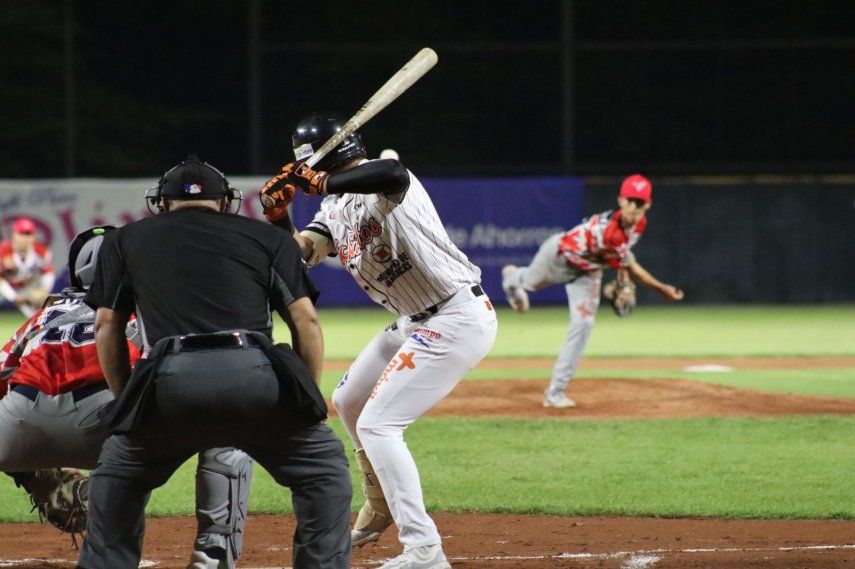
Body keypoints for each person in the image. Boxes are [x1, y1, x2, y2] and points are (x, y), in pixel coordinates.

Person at [77, 156, 352, 569]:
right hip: (255, 378)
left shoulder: (126, 239)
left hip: (169, 382)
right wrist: (306, 400)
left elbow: (106, 326)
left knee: (118, 480)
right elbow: (305, 321)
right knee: (323, 472)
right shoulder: (267, 237)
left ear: (162, 203)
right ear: (225, 202)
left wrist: (127, 402)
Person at [260, 113, 498, 569]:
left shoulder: (384, 179)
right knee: (348, 399)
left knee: (378, 425)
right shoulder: (334, 210)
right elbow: (297, 255)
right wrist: (278, 216)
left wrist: (320, 181)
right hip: (414, 319)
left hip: (455, 316)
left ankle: (424, 550)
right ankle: (381, 502)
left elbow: (392, 171)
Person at [0, 226, 254, 569]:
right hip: (100, 431)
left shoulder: (45, 313)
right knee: (227, 421)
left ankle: (42, 481)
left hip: (17, 426)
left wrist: (24, 459)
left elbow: (2, 373)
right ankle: (212, 554)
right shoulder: (149, 308)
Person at [501, 174, 684, 408]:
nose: (634, 207)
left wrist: (622, 281)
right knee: (529, 283)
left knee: (583, 325)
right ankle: (511, 278)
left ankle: (555, 393)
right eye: (630, 200)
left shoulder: (639, 225)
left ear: (647, 205)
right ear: (621, 200)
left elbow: (624, 257)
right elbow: (630, 265)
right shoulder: (610, 232)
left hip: (588, 272)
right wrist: (661, 288)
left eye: (639, 203)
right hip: (558, 257)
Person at [0, 217, 56, 317]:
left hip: (25, 287)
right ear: (14, 234)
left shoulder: (41, 253)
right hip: (5, 288)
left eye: (28, 234)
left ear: (34, 236)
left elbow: (48, 273)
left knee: (38, 316)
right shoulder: (3, 251)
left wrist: (44, 290)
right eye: (21, 233)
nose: (25, 238)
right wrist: (14, 296)